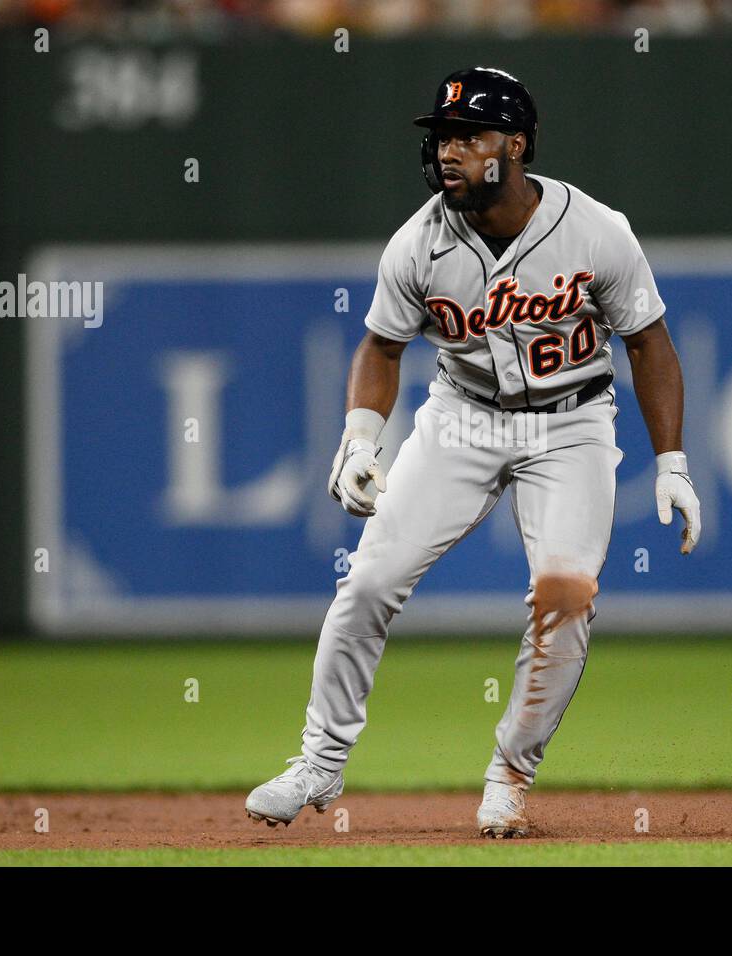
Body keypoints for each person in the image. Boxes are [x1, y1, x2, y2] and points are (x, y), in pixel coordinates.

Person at [246, 66, 700, 838]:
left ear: (515, 145)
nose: (448, 151)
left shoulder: (595, 229)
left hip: (572, 423)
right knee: (369, 581)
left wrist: (673, 461)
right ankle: (319, 762)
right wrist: (361, 435)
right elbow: (381, 347)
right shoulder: (419, 243)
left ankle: (511, 778)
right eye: (442, 137)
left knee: (565, 596)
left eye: (468, 136)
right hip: (462, 417)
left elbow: (648, 342)